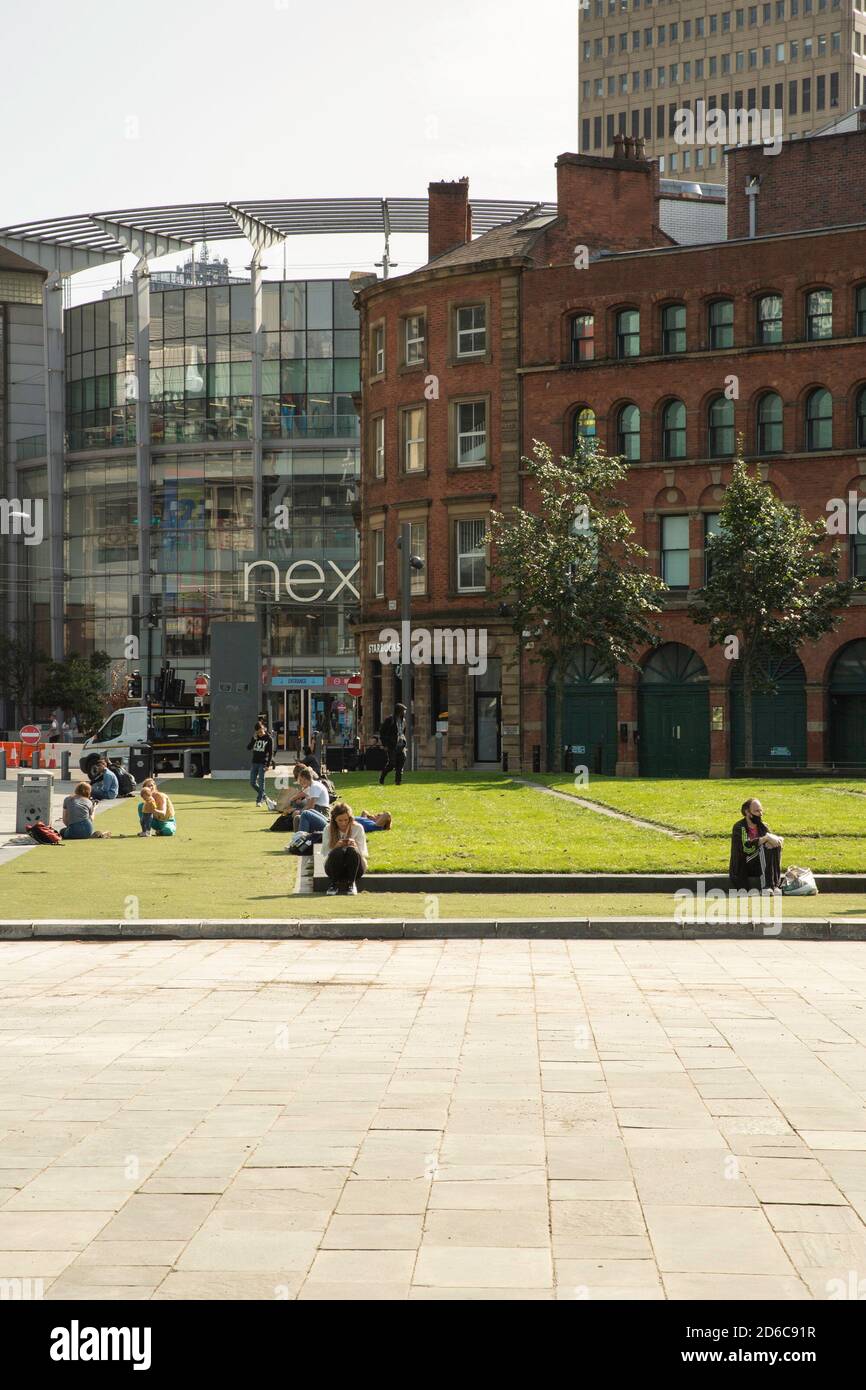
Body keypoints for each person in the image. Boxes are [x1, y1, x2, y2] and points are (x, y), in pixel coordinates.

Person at [729, 796, 784, 891]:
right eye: (756, 811)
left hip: (760, 864)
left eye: (761, 811)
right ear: (747, 812)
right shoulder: (739, 827)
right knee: (764, 847)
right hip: (744, 865)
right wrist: (765, 839)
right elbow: (746, 849)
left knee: (773, 846)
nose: (760, 814)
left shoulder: (763, 826)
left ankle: (774, 885)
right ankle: (766, 886)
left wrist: (778, 840)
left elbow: (773, 840)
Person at [321, 801, 368, 895]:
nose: (343, 823)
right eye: (340, 820)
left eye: (346, 820)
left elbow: (363, 853)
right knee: (338, 852)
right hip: (334, 867)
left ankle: (352, 883)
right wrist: (335, 846)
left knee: (351, 850)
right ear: (334, 819)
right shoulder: (328, 829)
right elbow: (325, 852)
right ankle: (334, 884)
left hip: (356, 867)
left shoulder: (358, 828)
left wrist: (355, 846)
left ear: (350, 818)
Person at [292, 767, 331, 833]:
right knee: (297, 818)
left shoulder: (315, 786)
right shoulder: (312, 786)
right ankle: (297, 838)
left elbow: (311, 806)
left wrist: (300, 812)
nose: (300, 782)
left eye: (300, 780)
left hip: (322, 812)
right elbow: (309, 805)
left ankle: (299, 838)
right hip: (317, 810)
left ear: (304, 778)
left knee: (298, 816)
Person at [247, 720, 275, 806]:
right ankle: (264, 796)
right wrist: (254, 740)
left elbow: (270, 753)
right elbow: (248, 748)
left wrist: (268, 765)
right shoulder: (255, 737)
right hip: (254, 762)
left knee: (261, 781)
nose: (260, 733)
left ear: (263, 728)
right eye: (258, 732)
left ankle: (259, 801)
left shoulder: (269, 738)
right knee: (252, 782)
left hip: (263, 763)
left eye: (261, 731)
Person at [378, 703, 407, 786]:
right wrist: (385, 744)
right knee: (392, 764)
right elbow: (382, 732)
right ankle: (382, 776)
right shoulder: (390, 720)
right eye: (403, 711)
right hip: (392, 745)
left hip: (401, 745)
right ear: (399, 711)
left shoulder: (403, 721)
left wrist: (404, 741)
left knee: (401, 762)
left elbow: (403, 732)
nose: (404, 712)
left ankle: (398, 781)